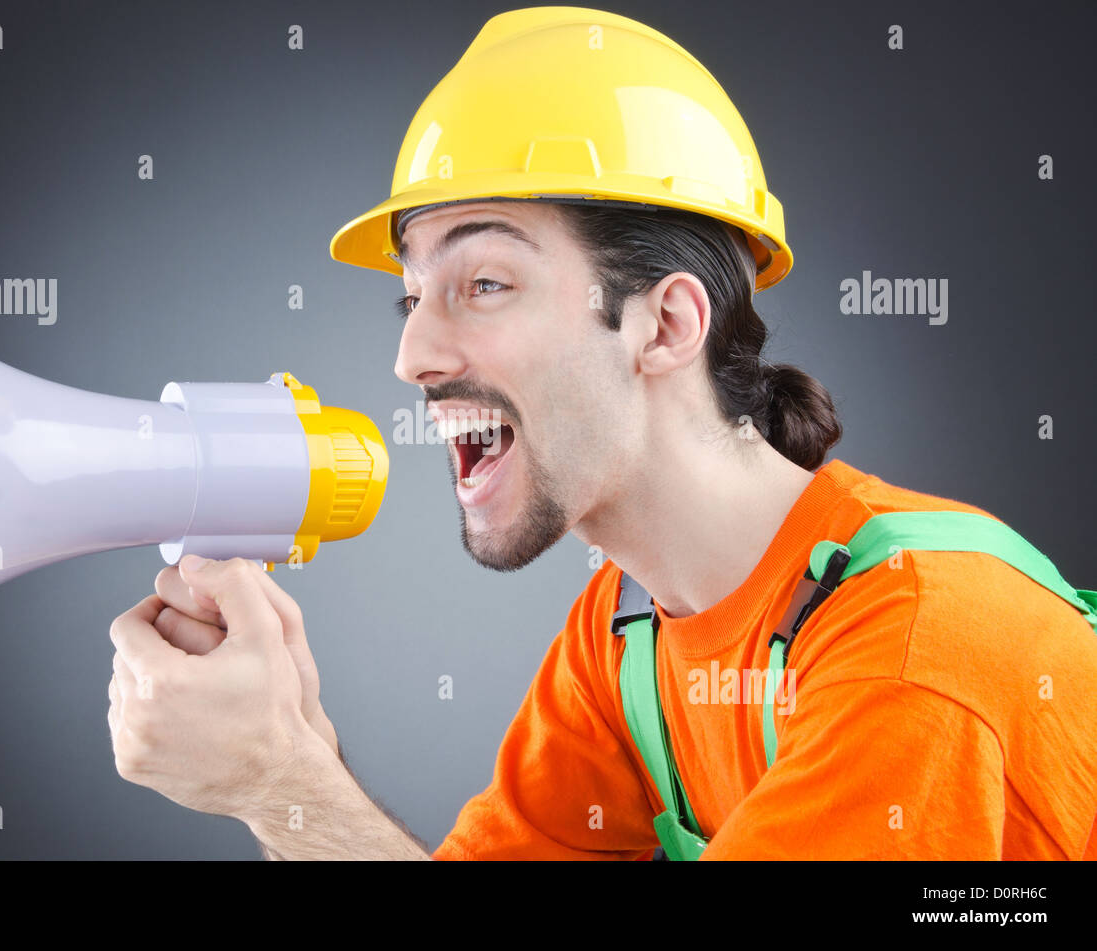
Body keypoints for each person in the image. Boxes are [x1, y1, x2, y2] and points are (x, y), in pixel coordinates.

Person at [105, 8, 1097, 860]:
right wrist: (284, 763)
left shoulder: (915, 657)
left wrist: (282, 784)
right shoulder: (623, 636)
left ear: (663, 325)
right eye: (410, 299)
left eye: (482, 282)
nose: (410, 355)